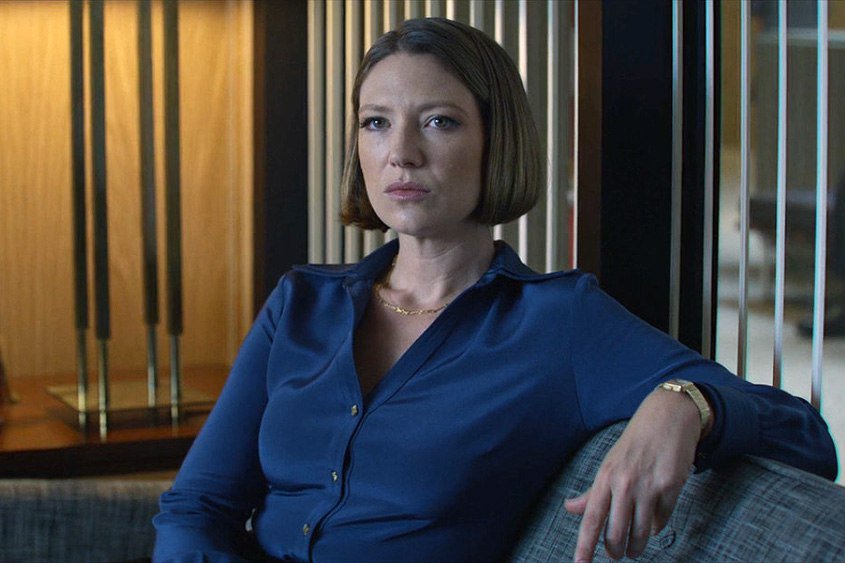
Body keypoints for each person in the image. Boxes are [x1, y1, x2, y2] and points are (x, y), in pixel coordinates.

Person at [153, 18, 837, 563]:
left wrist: (686, 402)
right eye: (376, 121)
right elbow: (197, 507)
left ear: (495, 141)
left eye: (439, 121)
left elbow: (805, 435)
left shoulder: (558, 322)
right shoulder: (300, 303)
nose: (401, 153)